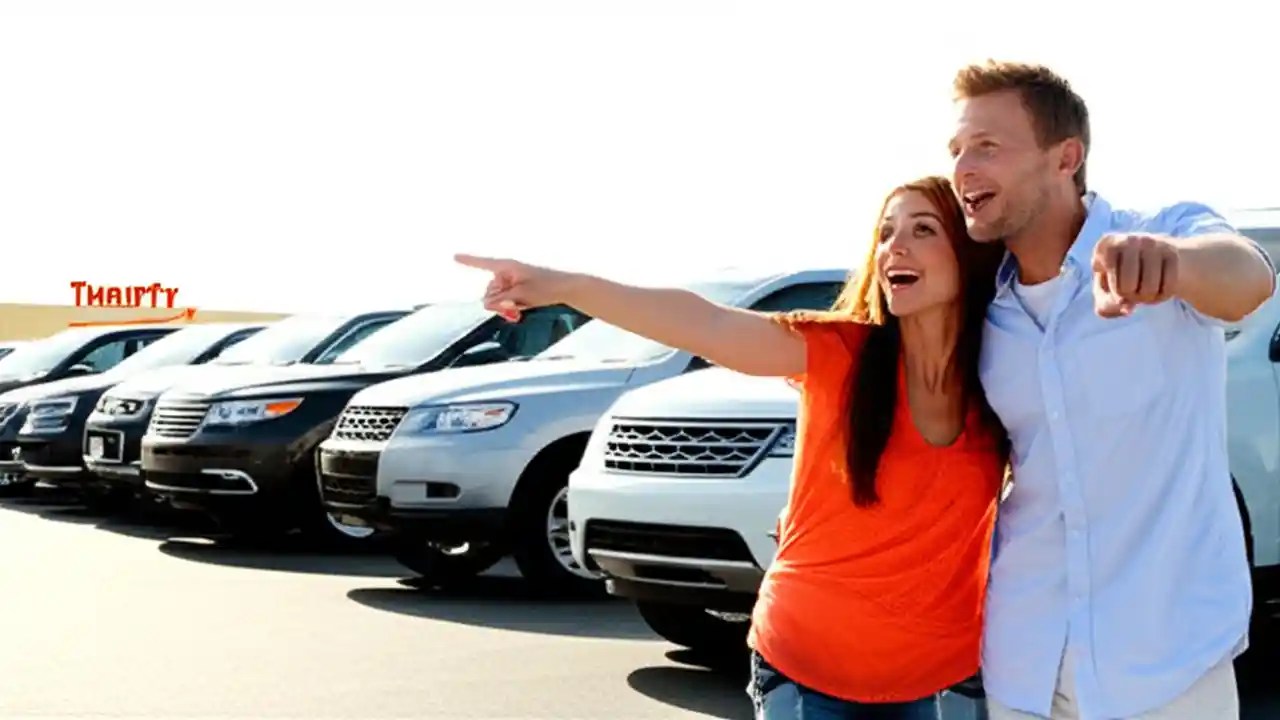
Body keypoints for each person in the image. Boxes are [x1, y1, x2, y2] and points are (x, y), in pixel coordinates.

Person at [455, 175, 1010, 719]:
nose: (895, 247)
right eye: (886, 233)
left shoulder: (1002, 384)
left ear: (968, 252)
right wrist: (564, 286)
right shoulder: (842, 353)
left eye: (923, 229)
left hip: (940, 680)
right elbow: (706, 322)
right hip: (807, 667)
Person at [945, 60, 1277, 719]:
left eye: (987, 146)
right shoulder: (981, 302)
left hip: (1167, 662)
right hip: (1025, 665)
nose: (962, 169)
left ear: (1065, 156)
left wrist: (1173, 266)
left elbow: (1248, 278)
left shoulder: (1164, 231)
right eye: (956, 150)